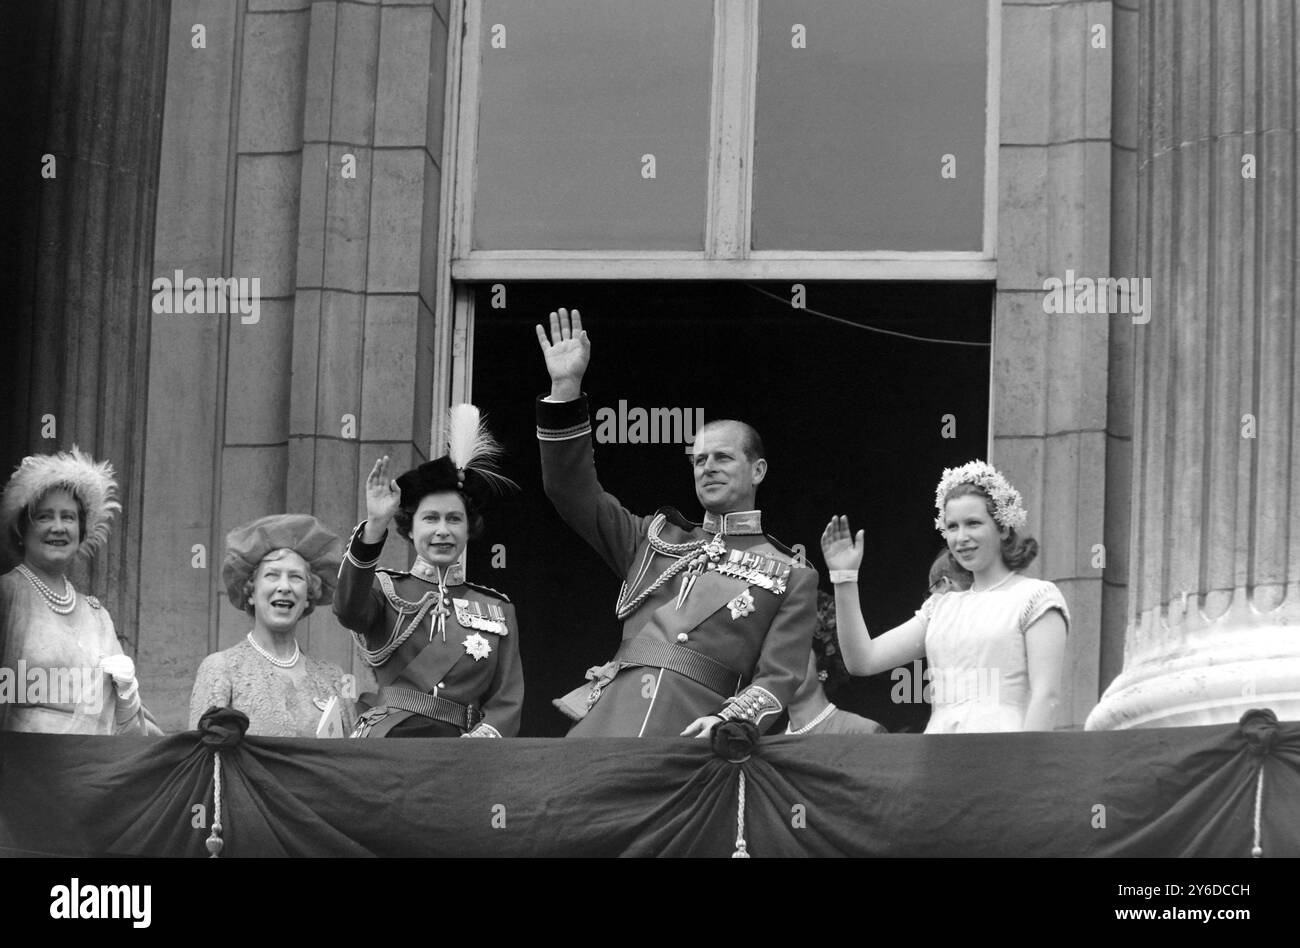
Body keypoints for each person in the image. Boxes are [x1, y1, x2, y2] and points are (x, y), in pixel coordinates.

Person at [536, 308, 817, 738]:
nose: (708, 468)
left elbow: (779, 677)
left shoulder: (791, 574)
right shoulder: (653, 538)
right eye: (699, 460)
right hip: (606, 729)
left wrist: (729, 722)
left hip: (695, 737)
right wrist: (565, 389)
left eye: (723, 457)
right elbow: (571, 491)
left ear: (757, 470)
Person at [822, 460, 1069, 732]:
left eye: (973, 523)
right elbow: (862, 660)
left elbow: (1047, 696)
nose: (961, 537)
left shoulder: (1035, 596)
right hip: (939, 757)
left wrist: (1024, 771)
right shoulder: (940, 607)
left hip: (1005, 756)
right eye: (952, 527)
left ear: (1004, 527)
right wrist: (844, 578)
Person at [334, 405, 523, 738]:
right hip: (390, 743)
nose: (442, 530)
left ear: (468, 529)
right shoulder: (385, 589)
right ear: (410, 528)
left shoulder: (497, 608)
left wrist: (481, 741)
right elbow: (348, 610)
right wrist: (375, 526)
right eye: (430, 518)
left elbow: (507, 699)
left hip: (461, 753)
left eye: (454, 519)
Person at [0, 447, 160, 734]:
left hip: (89, 772)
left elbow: (132, 736)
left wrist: (127, 696)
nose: (58, 527)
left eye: (69, 517)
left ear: (81, 530)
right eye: (45, 516)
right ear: (22, 530)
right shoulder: (7, 594)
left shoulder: (97, 616)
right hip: (20, 772)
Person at [189, 514, 356, 738]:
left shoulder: (333, 677)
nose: (284, 586)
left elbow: (353, 758)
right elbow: (203, 759)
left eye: (296, 577)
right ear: (250, 592)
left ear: (308, 596)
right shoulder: (221, 668)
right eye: (272, 575)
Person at [785, 591, 886, 735]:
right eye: (775, 655)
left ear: (821, 664)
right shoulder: (769, 748)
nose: (783, 664)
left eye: (795, 651)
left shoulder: (861, 732)